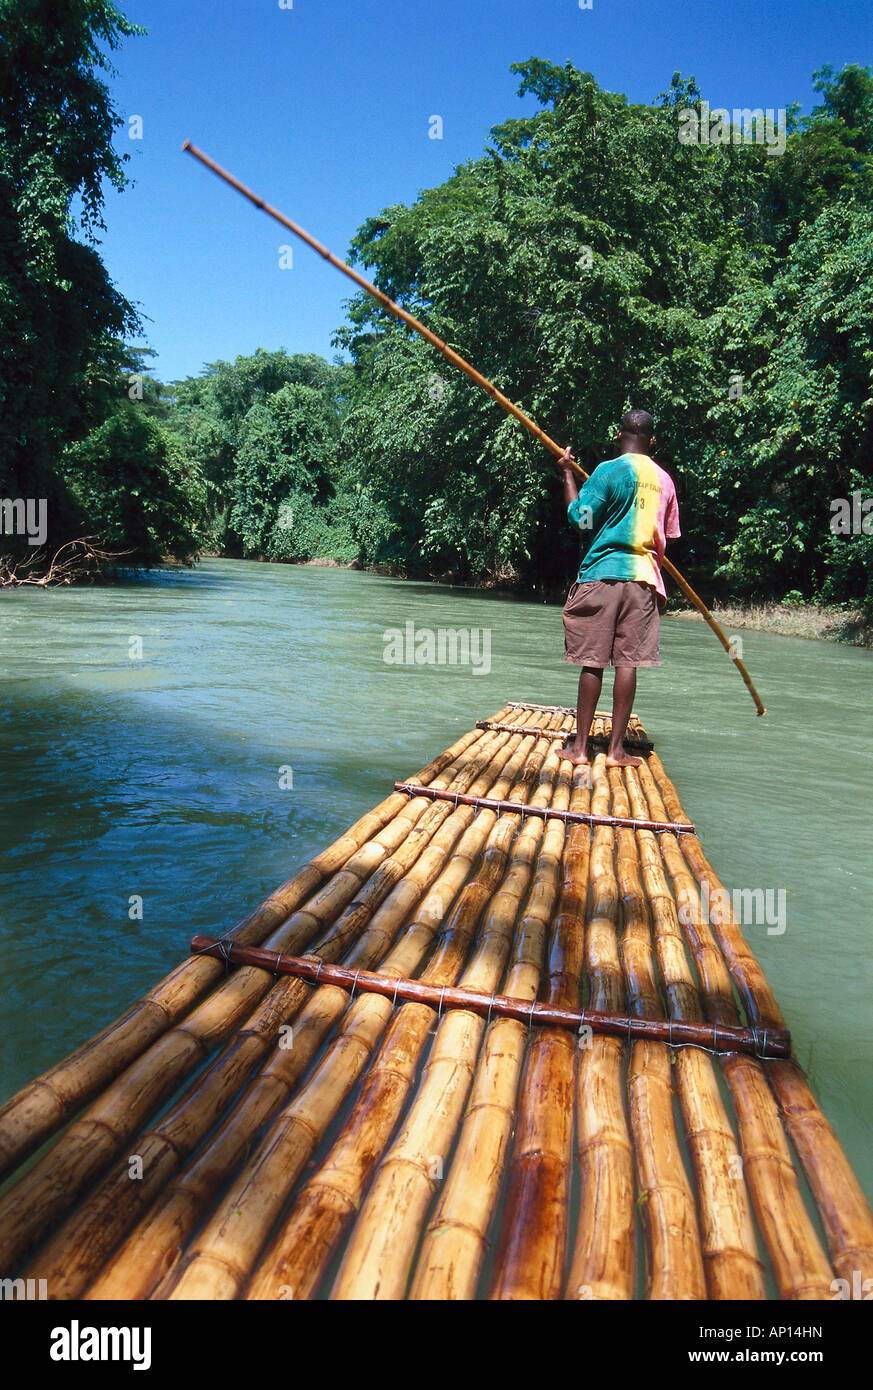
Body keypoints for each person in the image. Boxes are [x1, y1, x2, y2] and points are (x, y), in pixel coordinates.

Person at [556, 408, 680, 768]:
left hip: (601, 575)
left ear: (618, 433)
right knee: (628, 663)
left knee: (593, 661)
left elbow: (580, 519)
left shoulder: (607, 471)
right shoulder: (665, 480)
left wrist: (567, 473)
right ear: (651, 440)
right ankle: (615, 751)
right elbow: (667, 535)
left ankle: (580, 748)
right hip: (643, 579)